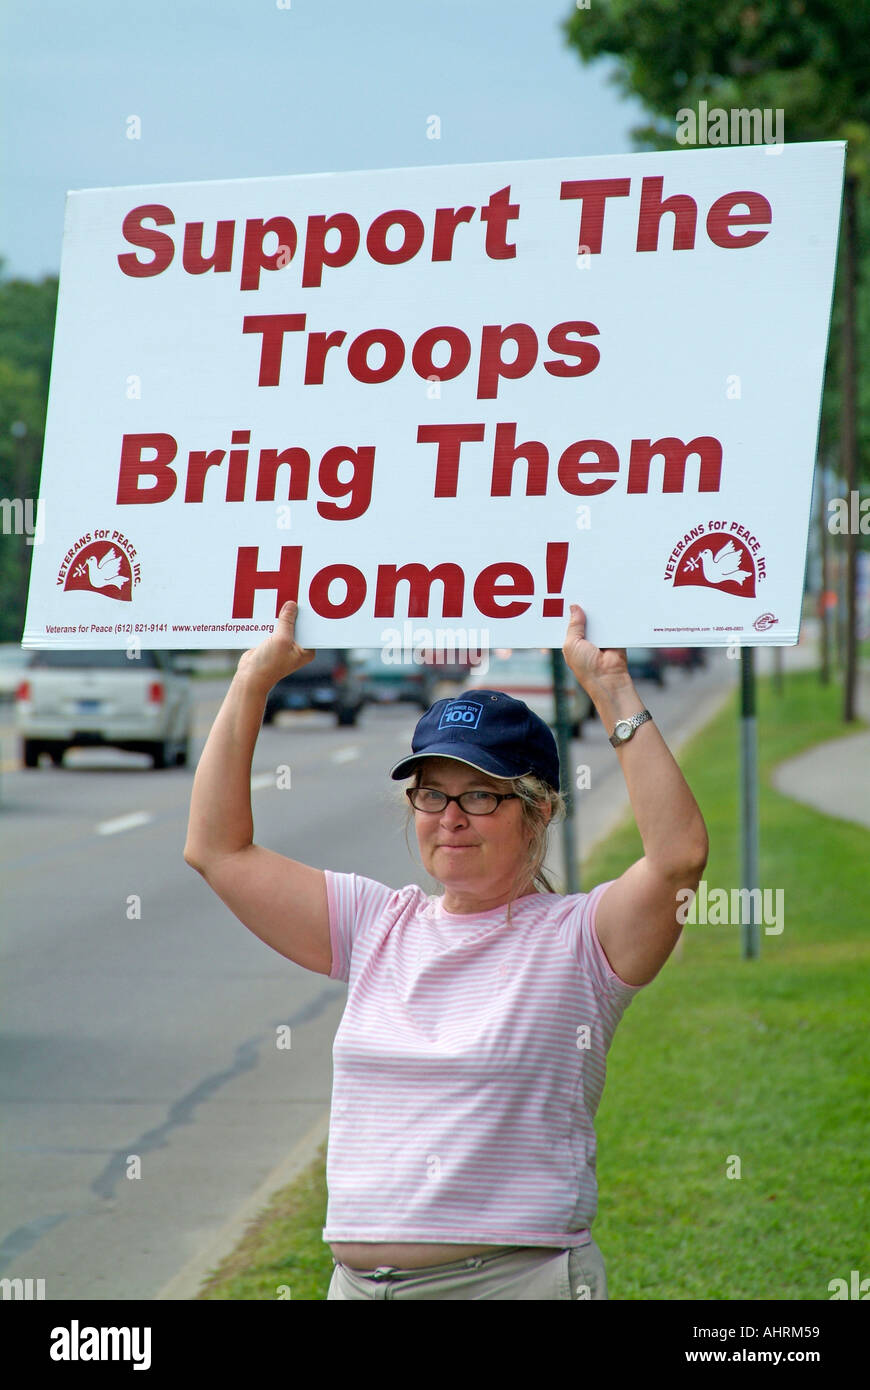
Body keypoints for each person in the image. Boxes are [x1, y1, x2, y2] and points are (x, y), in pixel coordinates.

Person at [183, 600, 708, 1301]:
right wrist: (252, 680)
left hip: (514, 1282)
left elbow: (678, 860)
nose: (451, 819)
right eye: (433, 794)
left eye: (482, 795)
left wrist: (611, 687)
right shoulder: (377, 924)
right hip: (360, 1287)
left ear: (542, 808)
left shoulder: (582, 939)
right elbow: (216, 850)